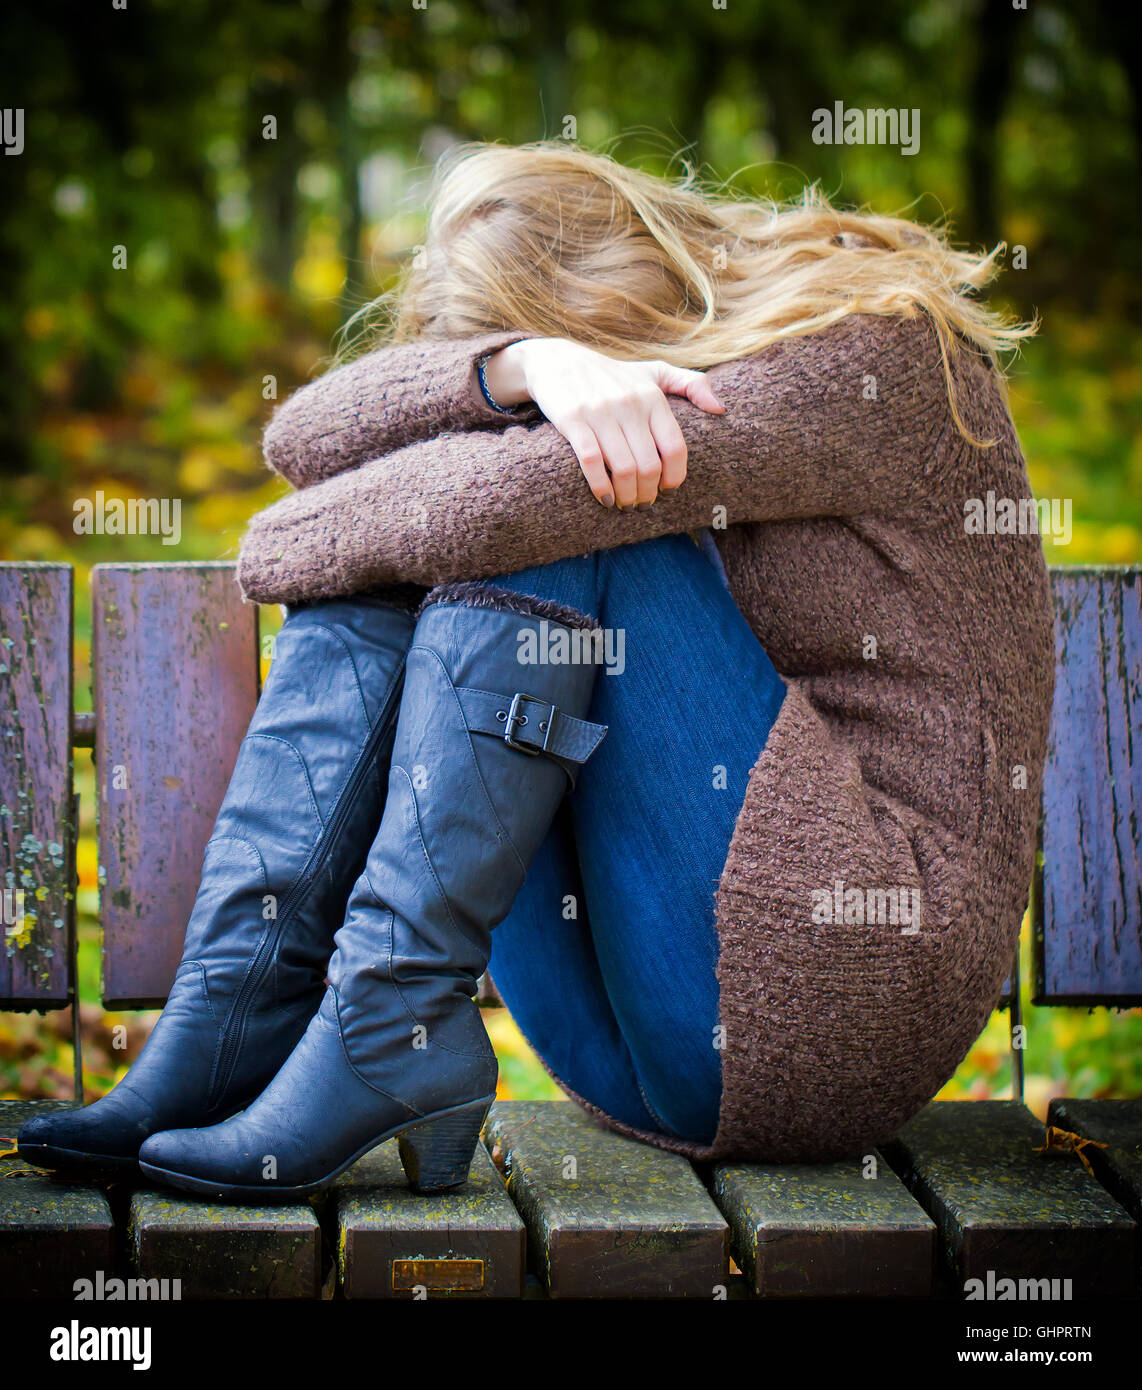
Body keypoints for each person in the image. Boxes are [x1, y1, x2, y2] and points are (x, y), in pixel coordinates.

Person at [20, 141, 1054, 1201]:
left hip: (842, 995)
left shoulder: (862, 354)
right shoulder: (603, 374)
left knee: (558, 508)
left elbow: (304, 535)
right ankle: (236, 1013)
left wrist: (517, 408)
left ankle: (375, 1021)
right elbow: (307, 439)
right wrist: (516, 369)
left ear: (620, 266)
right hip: (636, 1031)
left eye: (558, 337)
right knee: (462, 522)